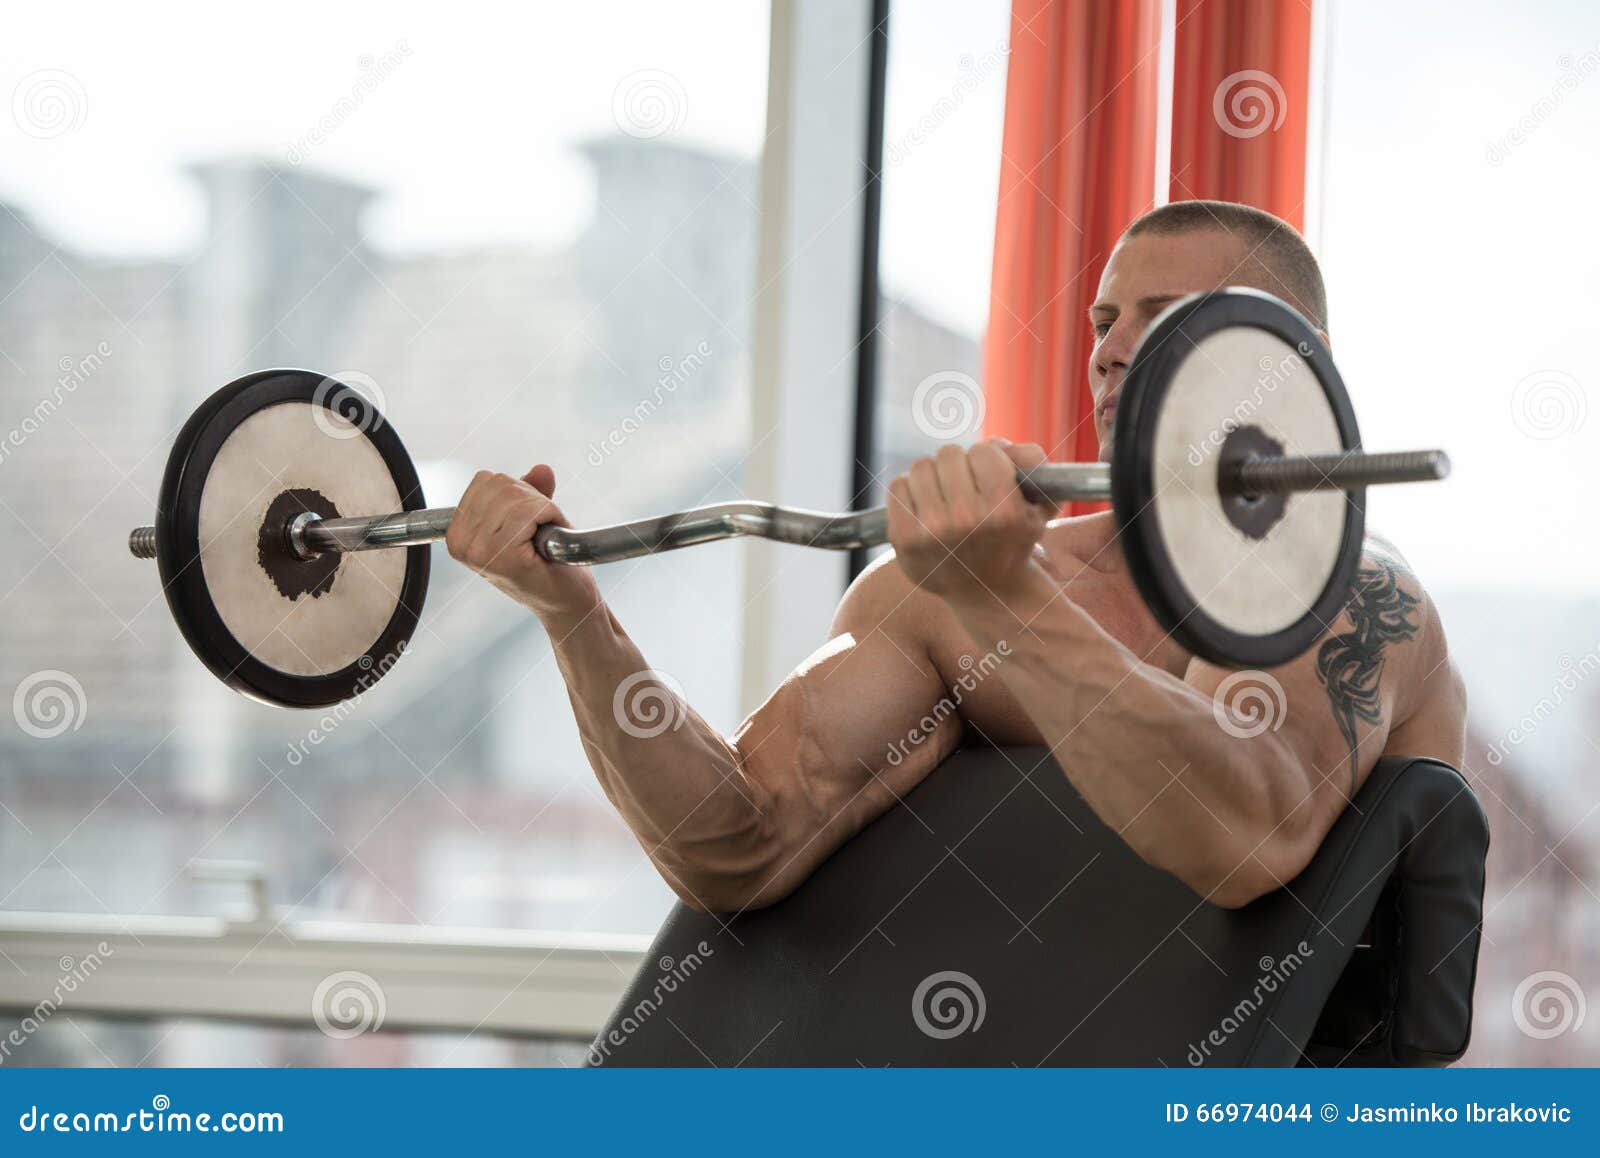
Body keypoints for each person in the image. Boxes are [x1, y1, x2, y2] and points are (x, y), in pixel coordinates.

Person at [444, 199, 1467, 913]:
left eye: (1165, 321)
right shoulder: (938, 599)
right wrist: (575, 618)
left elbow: (1243, 837)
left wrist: (1005, 603)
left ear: (1286, 369)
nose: (1111, 349)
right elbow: (739, 847)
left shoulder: (1357, 593)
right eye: (1104, 321)